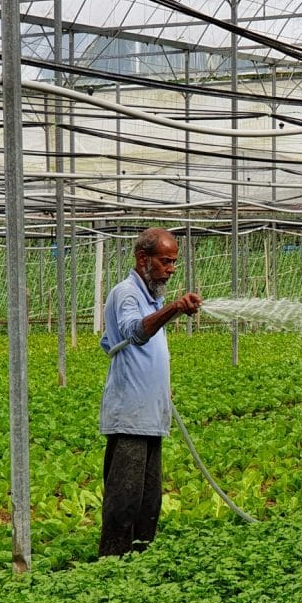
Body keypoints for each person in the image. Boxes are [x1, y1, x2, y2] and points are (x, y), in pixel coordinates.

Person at [98, 227, 201, 557]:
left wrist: (159, 385)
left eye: (174, 263)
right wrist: (173, 309)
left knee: (148, 499)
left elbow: (111, 342)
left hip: (150, 414)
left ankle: (140, 562)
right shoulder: (128, 293)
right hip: (130, 416)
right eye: (166, 261)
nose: (171, 269)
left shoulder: (149, 298)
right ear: (143, 259)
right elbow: (132, 332)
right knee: (125, 498)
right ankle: (112, 562)